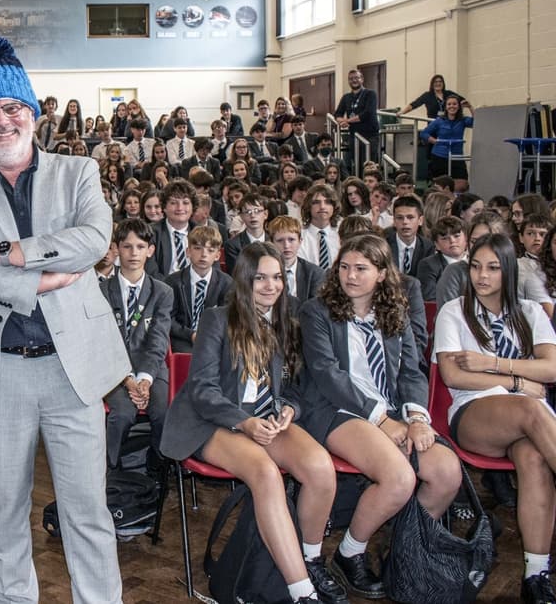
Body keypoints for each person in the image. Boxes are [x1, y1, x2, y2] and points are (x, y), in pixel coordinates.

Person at [0, 34, 126, 603]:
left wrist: (8, 252)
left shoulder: (80, 172)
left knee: (87, 509)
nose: (2, 121)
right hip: (0, 373)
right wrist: (42, 279)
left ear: (35, 115)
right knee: (3, 510)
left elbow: (93, 240)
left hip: (74, 371)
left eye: (13, 109)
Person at [161, 242, 342, 604]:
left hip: (264, 419)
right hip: (211, 421)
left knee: (320, 467)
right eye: (261, 278)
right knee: (265, 472)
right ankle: (301, 592)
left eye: (277, 278)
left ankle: (309, 559)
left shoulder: (285, 324)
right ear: (245, 279)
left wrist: (289, 408)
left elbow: (293, 387)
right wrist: (243, 423)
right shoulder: (217, 318)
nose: (271, 286)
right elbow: (202, 389)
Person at [297, 234, 461, 600]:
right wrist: (381, 419)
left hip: (389, 411)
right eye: (344, 267)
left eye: (361, 269)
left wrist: (417, 418)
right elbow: (327, 374)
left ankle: (404, 549)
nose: (350, 276)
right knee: (400, 478)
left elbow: (411, 373)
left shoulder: (394, 312)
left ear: (383, 274)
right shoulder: (316, 311)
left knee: (447, 473)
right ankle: (350, 552)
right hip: (336, 410)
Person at [434, 233, 556, 604]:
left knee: (534, 458)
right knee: (530, 408)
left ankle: (535, 575)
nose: (481, 276)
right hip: (475, 412)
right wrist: (517, 379)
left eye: (491, 267)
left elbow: (551, 369)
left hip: (528, 420)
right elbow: (454, 376)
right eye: (475, 266)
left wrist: (492, 363)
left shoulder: (531, 311)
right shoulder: (454, 310)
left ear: (507, 270)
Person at [100, 219, 173, 470]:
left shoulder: (162, 292)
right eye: (127, 246)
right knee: (122, 414)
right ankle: (108, 471)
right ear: (116, 249)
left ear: (150, 251)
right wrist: (127, 379)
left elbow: (159, 340)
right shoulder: (101, 291)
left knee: (163, 413)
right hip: (112, 371)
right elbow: (105, 342)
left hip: (151, 370)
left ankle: (156, 473)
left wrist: (144, 379)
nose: (133, 253)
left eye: (140, 247)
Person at [166, 225, 233, 353]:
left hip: (215, 339)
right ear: (188, 251)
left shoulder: (227, 283)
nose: (203, 255)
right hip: (182, 339)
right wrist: (191, 335)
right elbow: (169, 319)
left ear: (218, 255)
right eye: (197, 248)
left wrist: (207, 336)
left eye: (210, 250)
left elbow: (227, 320)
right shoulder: (172, 282)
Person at [421, 96, 475, 182]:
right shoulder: (439, 121)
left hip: (457, 156)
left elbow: (476, 122)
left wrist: (470, 107)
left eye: (454, 104)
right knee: (441, 184)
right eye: (449, 104)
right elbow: (424, 133)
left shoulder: (463, 120)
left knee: (462, 183)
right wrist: (434, 141)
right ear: (446, 107)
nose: (452, 106)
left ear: (458, 106)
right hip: (439, 156)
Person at [334, 69, 379, 167]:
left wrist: (347, 121)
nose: (354, 80)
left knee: (369, 166)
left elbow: (367, 113)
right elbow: (337, 114)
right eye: (351, 79)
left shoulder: (370, 94)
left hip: (369, 136)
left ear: (362, 79)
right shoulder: (346, 97)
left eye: (356, 78)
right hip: (354, 136)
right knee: (356, 165)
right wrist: (342, 121)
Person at [417, 216, 467, 301]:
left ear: (466, 238)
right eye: (445, 238)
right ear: (437, 245)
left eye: (456, 236)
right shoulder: (428, 265)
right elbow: (430, 300)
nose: (452, 241)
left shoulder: (476, 261)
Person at [298, 183, 341, 270]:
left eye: (328, 202)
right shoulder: (299, 237)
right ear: (308, 206)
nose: (322, 207)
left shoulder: (340, 236)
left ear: (334, 206)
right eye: (316, 203)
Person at [224, 193, 268, 270]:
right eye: (248, 212)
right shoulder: (232, 245)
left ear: (265, 214)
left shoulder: (275, 241)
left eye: (257, 211)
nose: (253, 215)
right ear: (241, 216)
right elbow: (236, 274)